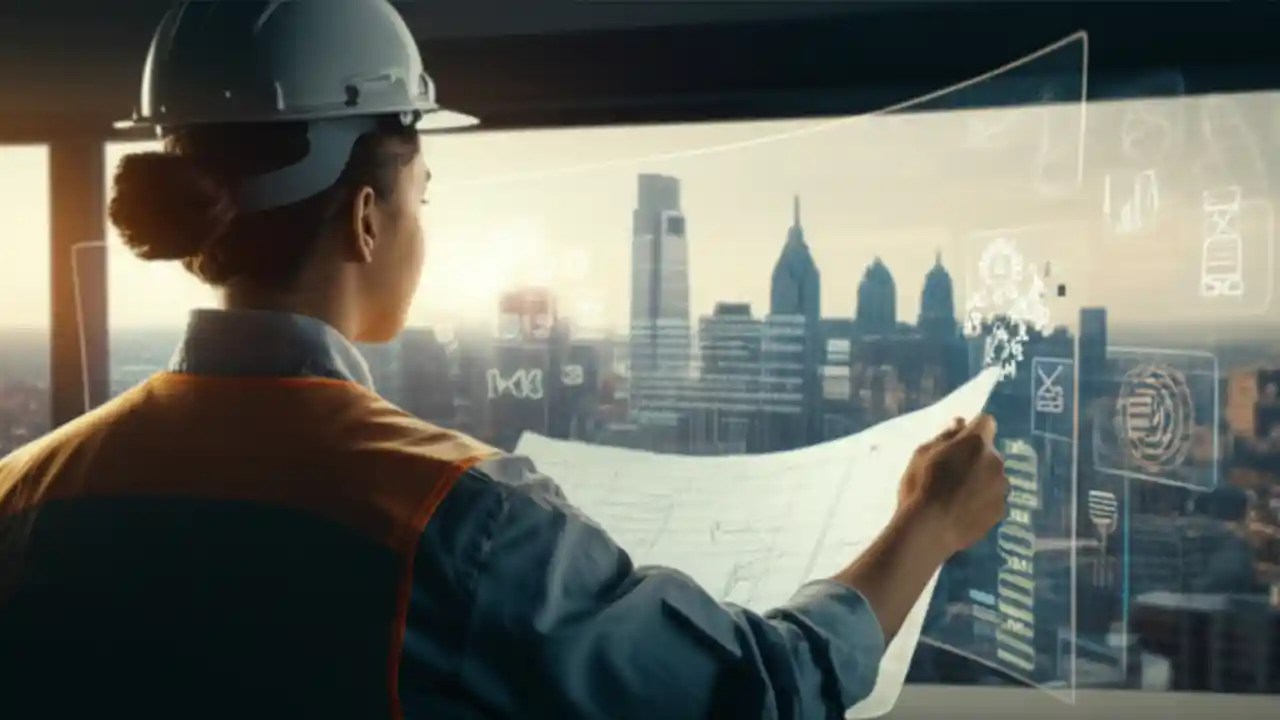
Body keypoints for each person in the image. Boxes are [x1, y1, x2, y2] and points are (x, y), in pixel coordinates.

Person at [0, 1, 1009, 717]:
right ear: (365, 218)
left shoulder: (23, 492)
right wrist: (926, 523)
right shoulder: (455, 522)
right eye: (420, 197)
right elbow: (752, 692)